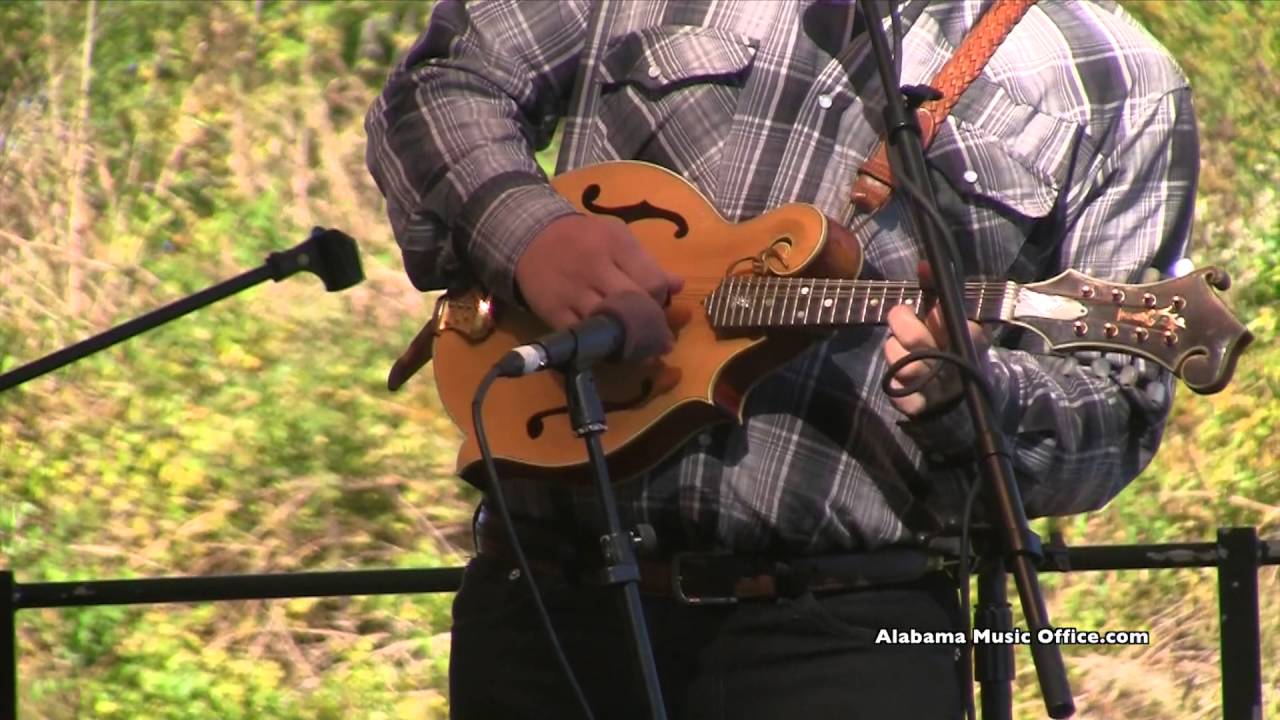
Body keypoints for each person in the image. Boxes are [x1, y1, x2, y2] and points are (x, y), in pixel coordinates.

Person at [364, 1, 1198, 718]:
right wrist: (529, 234)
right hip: (547, 606)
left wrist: (975, 394)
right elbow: (438, 86)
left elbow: (1116, 411)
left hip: (851, 636)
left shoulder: (1116, 79)